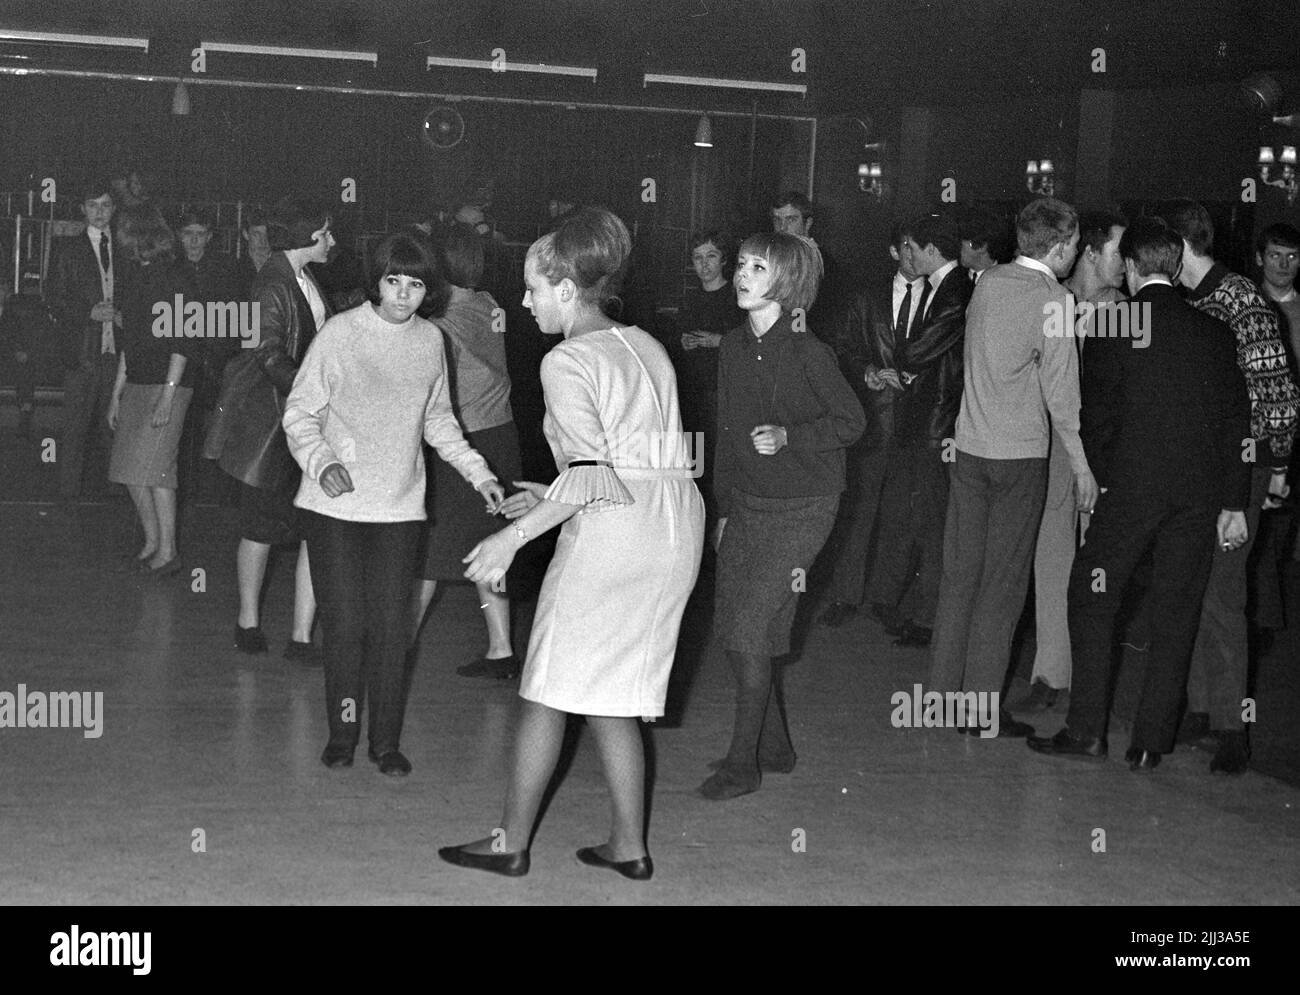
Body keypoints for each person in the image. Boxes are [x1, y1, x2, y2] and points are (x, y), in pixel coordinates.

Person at [439, 207, 704, 880]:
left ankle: (509, 841)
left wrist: (511, 537)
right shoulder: (645, 342)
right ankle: (628, 844)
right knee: (612, 692)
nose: (524, 302)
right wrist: (545, 492)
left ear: (567, 286)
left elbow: (592, 473)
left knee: (547, 687)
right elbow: (623, 461)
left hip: (616, 530)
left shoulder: (567, 358)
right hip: (673, 521)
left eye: (533, 287)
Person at [1028, 217, 1252, 770]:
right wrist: (1232, 501)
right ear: (1176, 268)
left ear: (1129, 267)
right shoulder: (1215, 334)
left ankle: (1086, 731)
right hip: (1196, 498)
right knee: (1177, 614)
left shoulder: (1112, 327)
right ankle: (1151, 743)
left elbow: (1094, 419)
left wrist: (1104, 477)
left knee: (1091, 595)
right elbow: (1235, 425)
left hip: (1130, 491)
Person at [284, 234, 504, 775]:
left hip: (400, 509)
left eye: (416, 284)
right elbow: (298, 413)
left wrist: (481, 474)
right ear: (376, 280)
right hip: (336, 507)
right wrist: (322, 461)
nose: (403, 295)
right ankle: (342, 734)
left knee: (390, 630)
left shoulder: (432, 340)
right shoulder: (341, 333)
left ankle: (385, 743)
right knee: (344, 626)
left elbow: (439, 421)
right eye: (393, 281)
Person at [701, 231, 865, 800]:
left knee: (750, 630)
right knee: (737, 629)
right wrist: (721, 509)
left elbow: (852, 423)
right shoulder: (732, 346)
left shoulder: (809, 351)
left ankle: (743, 764)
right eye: (741, 264)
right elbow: (724, 433)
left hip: (803, 506)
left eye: (757, 267)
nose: (741, 275)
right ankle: (775, 746)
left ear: (788, 282)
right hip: (747, 503)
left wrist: (791, 436)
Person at [928, 197, 1098, 738]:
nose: (1075, 253)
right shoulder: (1055, 299)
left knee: (959, 581)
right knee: (1002, 589)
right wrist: (1083, 467)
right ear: (1061, 247)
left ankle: (938, 700)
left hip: (970, 452)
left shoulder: (988, 283)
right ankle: (978, 714)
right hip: (1021, 459)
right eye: (1074, 245)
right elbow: (1063, 397)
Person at [1164, 201, 1300, 773]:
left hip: (1237, 471)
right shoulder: (1187, 302)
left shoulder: (1243, 302)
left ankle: (1231, 728)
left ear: (1177, 250)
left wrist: (1275, 471)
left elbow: (1280, 397)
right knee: (1193, 587)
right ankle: (1201, 708)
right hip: (1194, 468)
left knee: (1223, 596)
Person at [1010, 209, 1128, 714]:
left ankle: (1088, 680)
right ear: (1088, 251)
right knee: (1051, 563)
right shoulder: (1054, 301)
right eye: (1119, 252)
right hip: (1052, 448)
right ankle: (1051, 673)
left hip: (1099, 454)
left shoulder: (1122, 310)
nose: (1127, 263)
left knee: (1094, 568)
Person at [204, 196, 331, 662]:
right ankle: (248, 621)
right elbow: (269, 353)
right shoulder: (272, 283)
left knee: (311, 530)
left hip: (297, 420)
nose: (332, 240)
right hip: (271, 424)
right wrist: (312, 397)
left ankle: (300, 636)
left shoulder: (302, 277)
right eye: (325, 233)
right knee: (260, 526)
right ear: (306, 237)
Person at [410, 225, 525, 680]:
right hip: (501, 438)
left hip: (463, 448)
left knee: (428, 554)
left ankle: (397, 649)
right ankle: (500, 649)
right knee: (487, 547)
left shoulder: (439, 328)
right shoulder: (489, 305)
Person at [866, 213, 971, 649]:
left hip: (937, 423)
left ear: (929, 250)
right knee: (917, 517)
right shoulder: (944, 287)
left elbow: (929, 344)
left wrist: (900, 369)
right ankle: (913, 610)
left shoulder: (953, 289)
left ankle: (930, 621)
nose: (907, 255)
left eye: (912, 248)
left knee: (933, 522)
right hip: (923, 420)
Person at [818, 223, 922, 628]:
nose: (916, 256)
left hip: (916, 423)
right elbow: (844, 348)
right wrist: (868, 372)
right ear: (895, 252)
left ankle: (886, 598)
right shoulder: (866, 298)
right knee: (859, 511)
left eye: (921, 248)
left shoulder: (938, 298)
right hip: (874, 420)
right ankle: (846, 595)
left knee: (901, 513)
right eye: (908, 248)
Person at [105, 207, 201, 575]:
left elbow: (183, 342)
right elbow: (129, 342)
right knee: (130, 471)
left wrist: (168, 394)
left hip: (170, 383)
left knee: (158, 470)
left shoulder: (179, 278)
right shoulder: (135, 278)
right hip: (139, 382)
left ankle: (169, 550)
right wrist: (117, 392)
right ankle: (152, 539)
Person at [46, 179, 120, 503]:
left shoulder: (126, 247)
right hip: (83, 354)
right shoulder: (67, 249)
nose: (99, 212)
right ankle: (67, 498)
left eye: (105, 205)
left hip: (118, 356)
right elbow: (52, 299)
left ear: (114, 209)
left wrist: (123, 315)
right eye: (93, 205)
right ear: (82, 210)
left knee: (114, 430)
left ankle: (116, 499)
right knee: (75, 431)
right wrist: (88, 312)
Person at [671, 230, 745, 520]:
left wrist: (719, 341)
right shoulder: (689, 298)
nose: (704, 264)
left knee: (720, 462)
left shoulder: (736, 297)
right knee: (695, 461)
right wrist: (682, 342)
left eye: (711, 256)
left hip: (724, 394)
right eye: (698, 258)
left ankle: (721, 521)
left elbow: (750, 344)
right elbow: (676, 340)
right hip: (694, 395)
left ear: (723, 259)